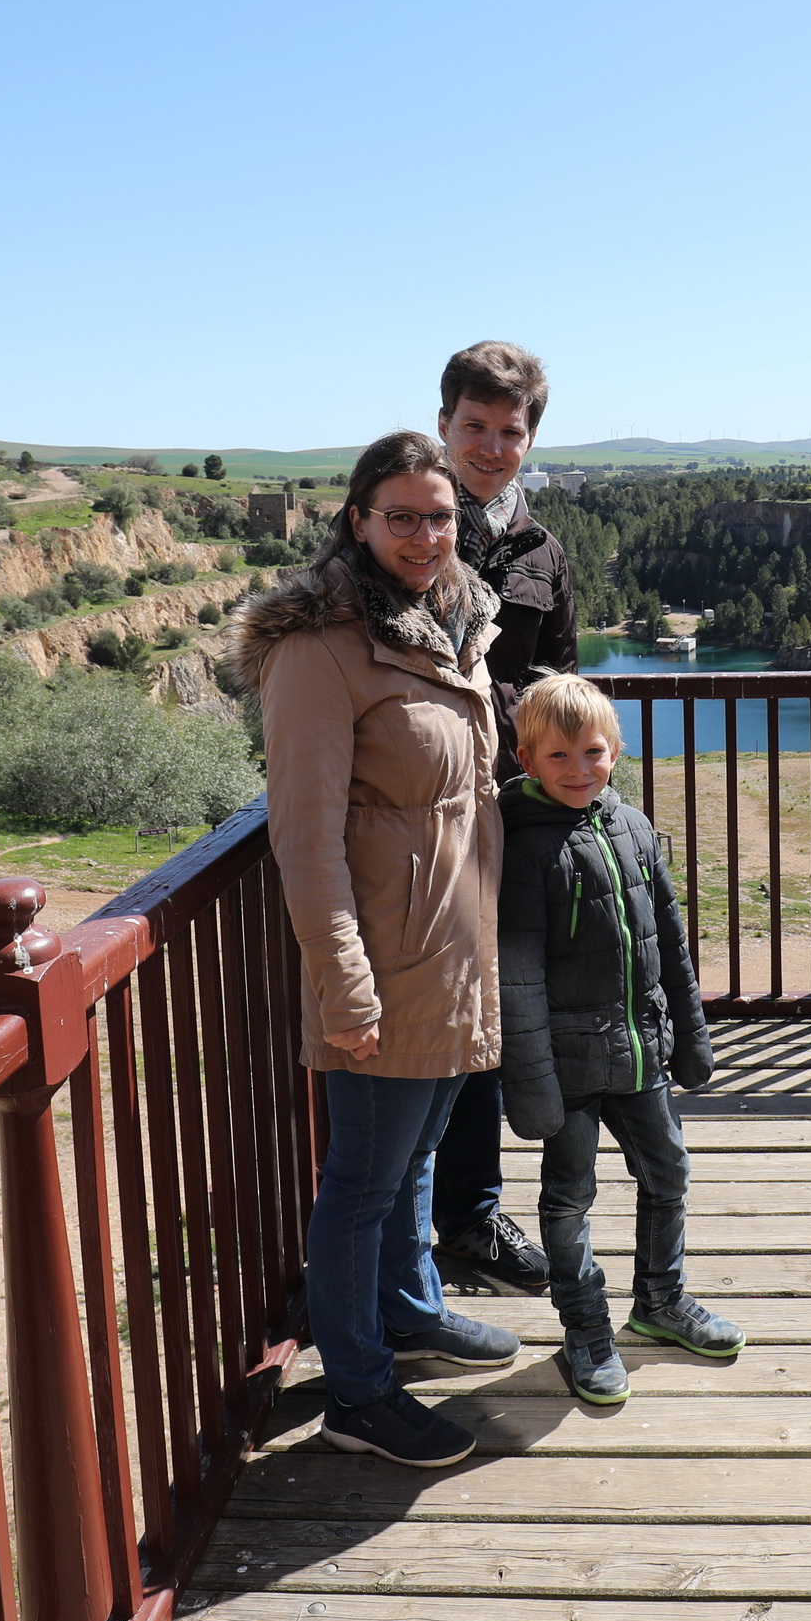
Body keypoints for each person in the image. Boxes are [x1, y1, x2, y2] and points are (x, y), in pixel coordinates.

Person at [227, 428, 522, 1467]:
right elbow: (304, 837)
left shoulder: (450, 624)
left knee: (418, 1156)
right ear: (358, 519)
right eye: (400, 515)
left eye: (439, 515)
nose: (423, 533)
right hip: (385, 966)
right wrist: (345, 984)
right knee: (360, 1180)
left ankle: (410, 1308)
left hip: (454, 944)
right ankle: (357, 1385)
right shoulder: (321, 651)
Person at [496, 672, 744, 1405]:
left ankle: (660, 1302)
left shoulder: (631, 825)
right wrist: (532, 1082)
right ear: (525, 759)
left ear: (616, 751)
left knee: (669, 1173)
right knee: (569, 1200)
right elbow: (519, 978)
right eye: (558, 758)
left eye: (592, 753)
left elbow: (670, 940)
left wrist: (691, 1037)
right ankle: (585, 1331)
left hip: (641, 1051)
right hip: (568, 1067)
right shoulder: (520, 847)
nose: (579, 771)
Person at [426, 341, 578, 1298]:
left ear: (530, 440)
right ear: (443, 424)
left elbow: (564, 683)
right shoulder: (408, 524)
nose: (489, 446)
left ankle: (472, 1217)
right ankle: (420, 1229)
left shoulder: (541, 551)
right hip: (415, 818)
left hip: (508, 813)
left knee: (490, 1013)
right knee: (419, 1021)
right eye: (473, 427)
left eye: (508, 432)